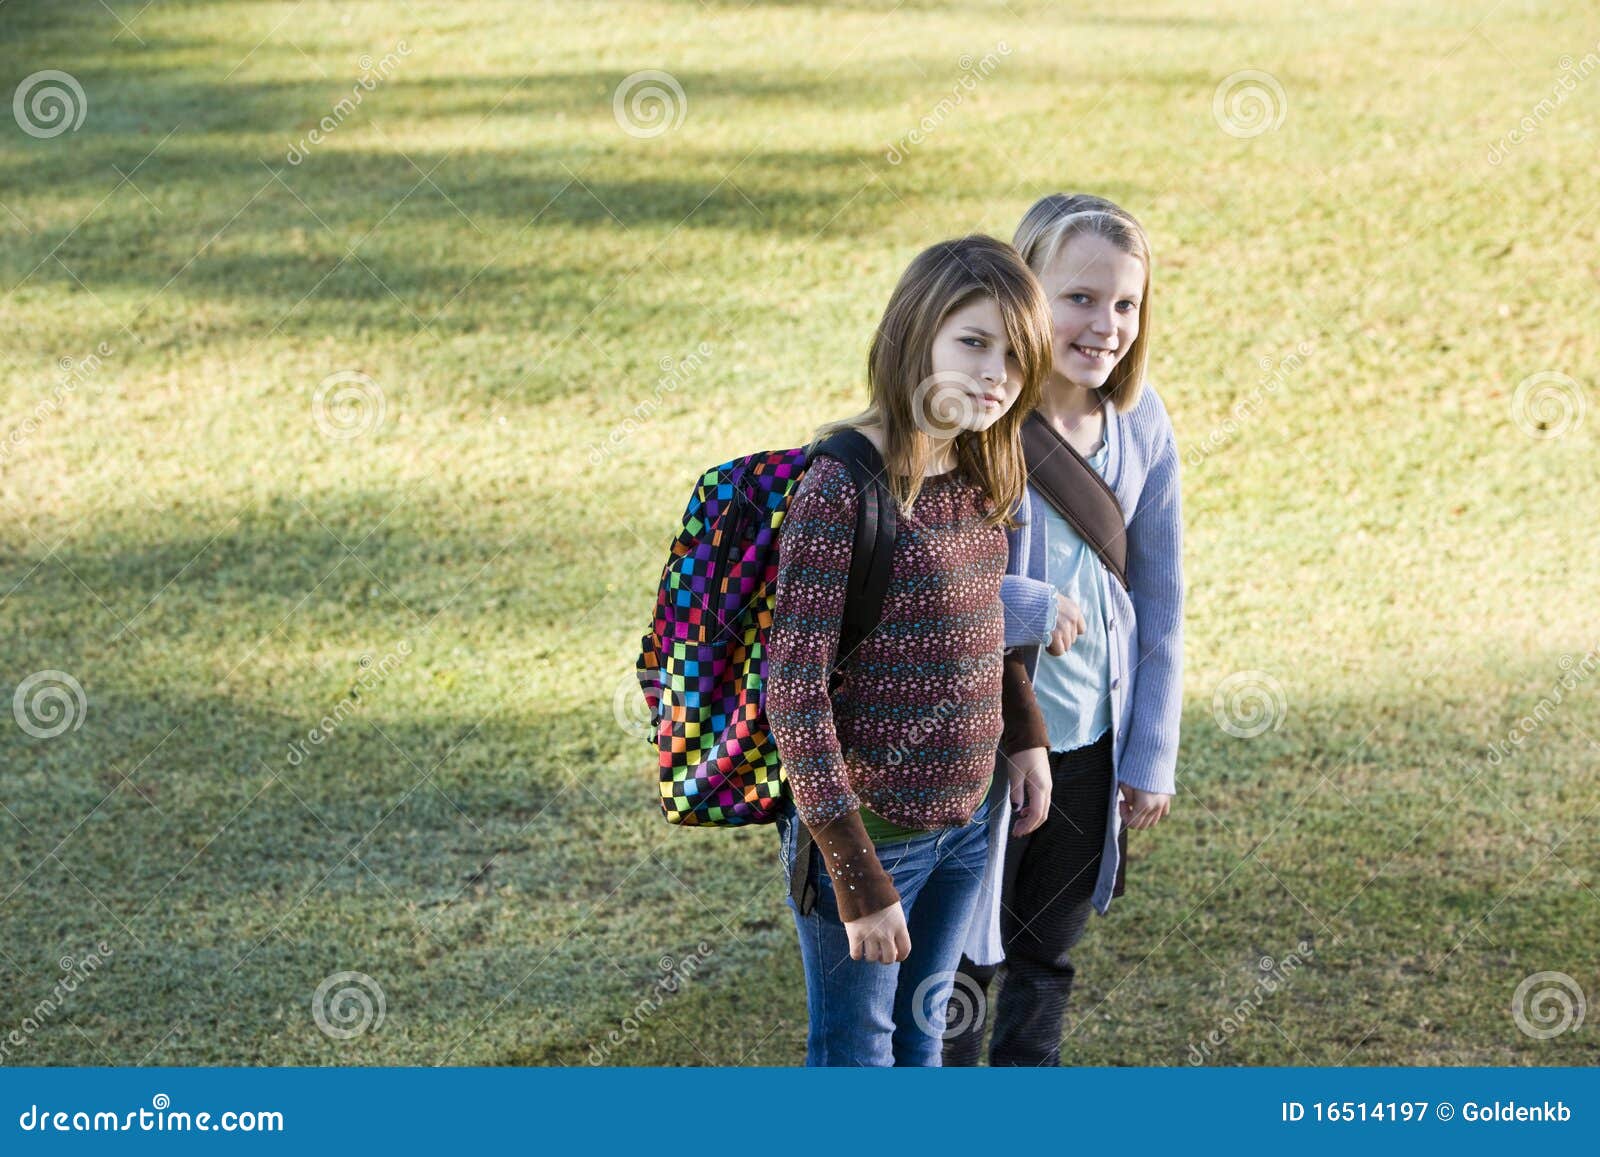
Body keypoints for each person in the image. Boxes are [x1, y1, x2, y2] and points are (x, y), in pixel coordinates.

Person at [766, 234, 1056, 1066]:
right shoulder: (842, 488)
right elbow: (795, 691)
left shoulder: (981, 468)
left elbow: (978, 623)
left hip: (967, 822)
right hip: (869, 831)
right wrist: (855, 875)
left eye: (1014, 355)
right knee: (859, 1051)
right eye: (972, 342)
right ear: (915, 332)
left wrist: (1024, 733)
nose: (994, 373)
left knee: (924, 1037)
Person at [945, 194, 1185, 1067]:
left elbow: (1161, 600)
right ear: (1024, 291)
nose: (1105, 325)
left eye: (1126, 304)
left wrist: (1149, 752)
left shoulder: (1141, 423)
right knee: (962, 960)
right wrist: (1028, 608)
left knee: (1047, 956)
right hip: (978, 739)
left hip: (1089, 741)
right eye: (1079, 298)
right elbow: (930, 577)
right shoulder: (980, 418)